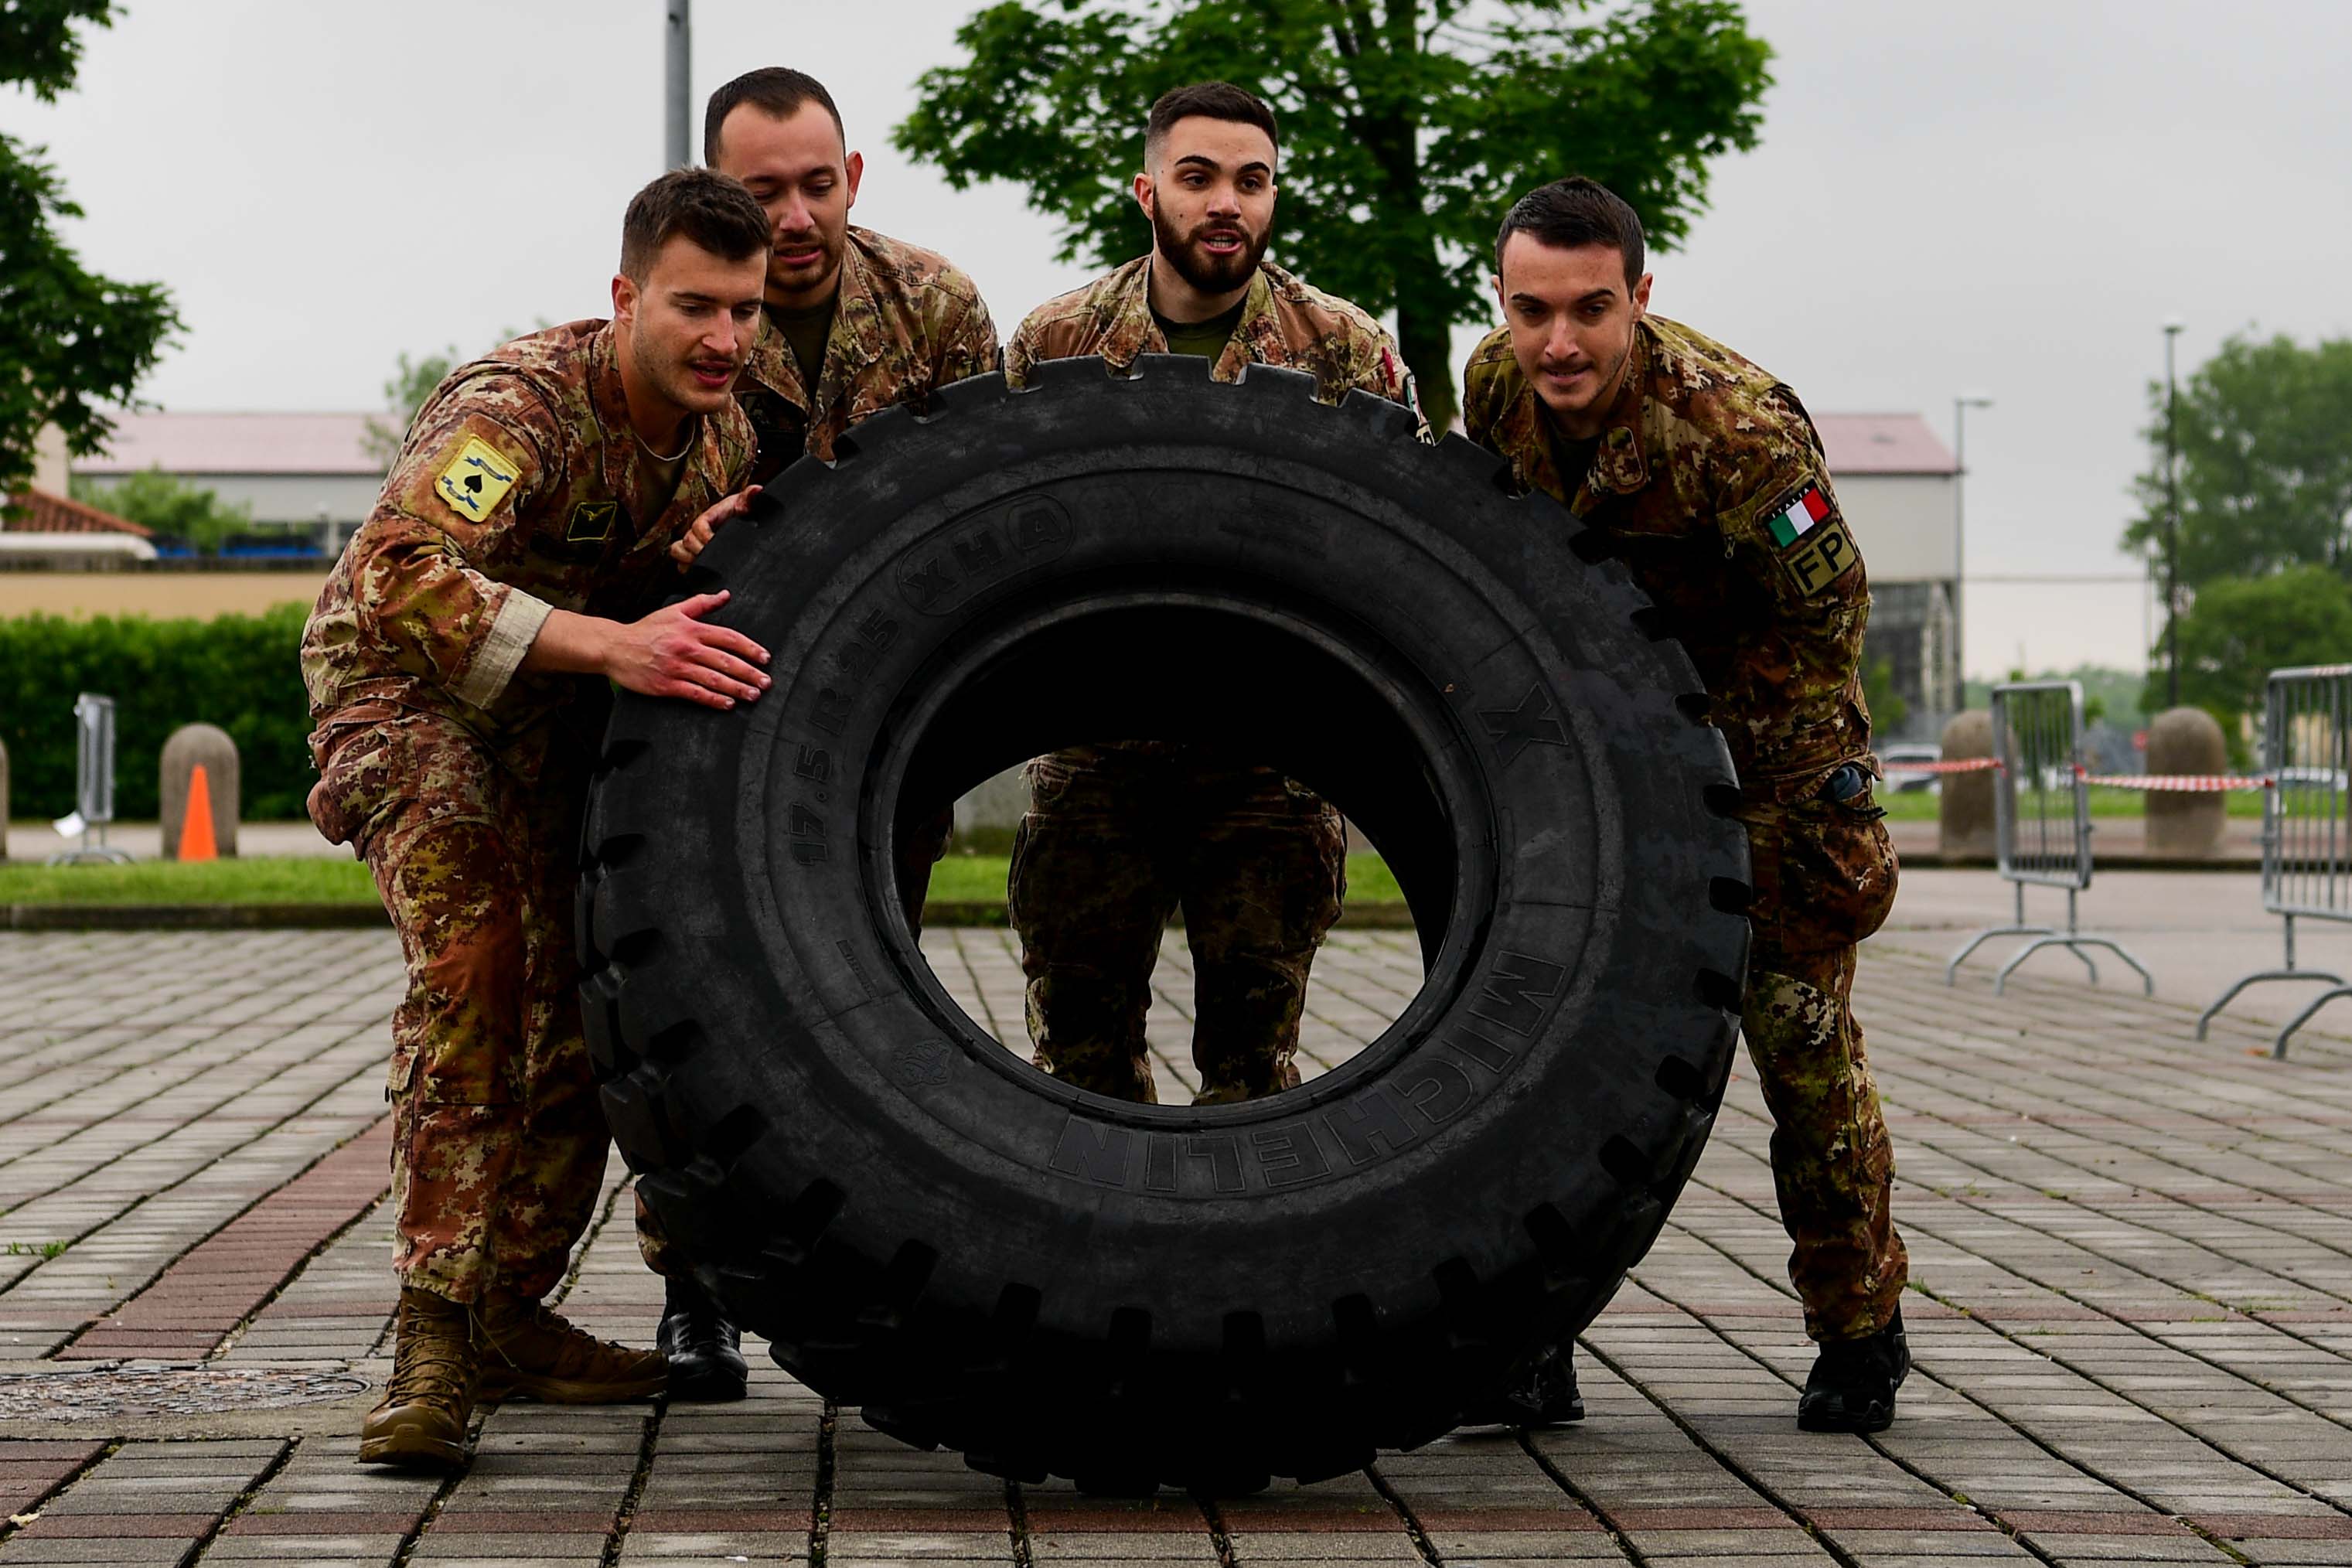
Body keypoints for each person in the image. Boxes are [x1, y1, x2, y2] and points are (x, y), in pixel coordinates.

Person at [302, 169, 775, 1470]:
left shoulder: (724, 438)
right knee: (479, 968)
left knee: (590, 1008)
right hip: (405, 689)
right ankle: (434, 1339)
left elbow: (645, 584)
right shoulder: (516, 407)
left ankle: (510, 1310)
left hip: (548, 718)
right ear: (626, 296)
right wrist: (612, 644)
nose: (724, 340)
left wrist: (688, 569)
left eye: (744, 310)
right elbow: (393, 574)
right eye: (694, 307)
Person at [1461, 176, 1907, 1433]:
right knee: (1559, 1073)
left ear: (1638, 299)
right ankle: (1531, 1348)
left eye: (1589, 310)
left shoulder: (1739, 432)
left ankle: (1858, 1327)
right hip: (1600, 772)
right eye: (1530, 309)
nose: (1558, 343)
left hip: (1767, 774)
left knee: (1800, 1056)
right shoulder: (1493, 390)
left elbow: (1827, 620)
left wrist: (1687, 722)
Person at [645, 65, 1003, 1404]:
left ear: (853, 177)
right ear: (712, 194)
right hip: (711, 716)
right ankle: (699, 1290)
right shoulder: (687, 317)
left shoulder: (935, 307)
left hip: (874, 724)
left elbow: (992, 500)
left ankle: (875, 1273)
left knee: (868, 1013)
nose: (792, 217)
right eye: (759, 191)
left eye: (815, 184)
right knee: (702, 1007)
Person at [1000, 82, 1423, 1113]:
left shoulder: (1342, 355)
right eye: (1197, 178)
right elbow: (1000, 537)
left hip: (1269, 762)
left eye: (1250, 180)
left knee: (1251, 1070)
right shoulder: (1058, 346)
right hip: (1100, 751)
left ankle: (1232, 1268)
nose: (1225, 202)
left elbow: (1405, 550)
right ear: (1147, 191)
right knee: (1082, 1063)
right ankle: (1102, 1260)